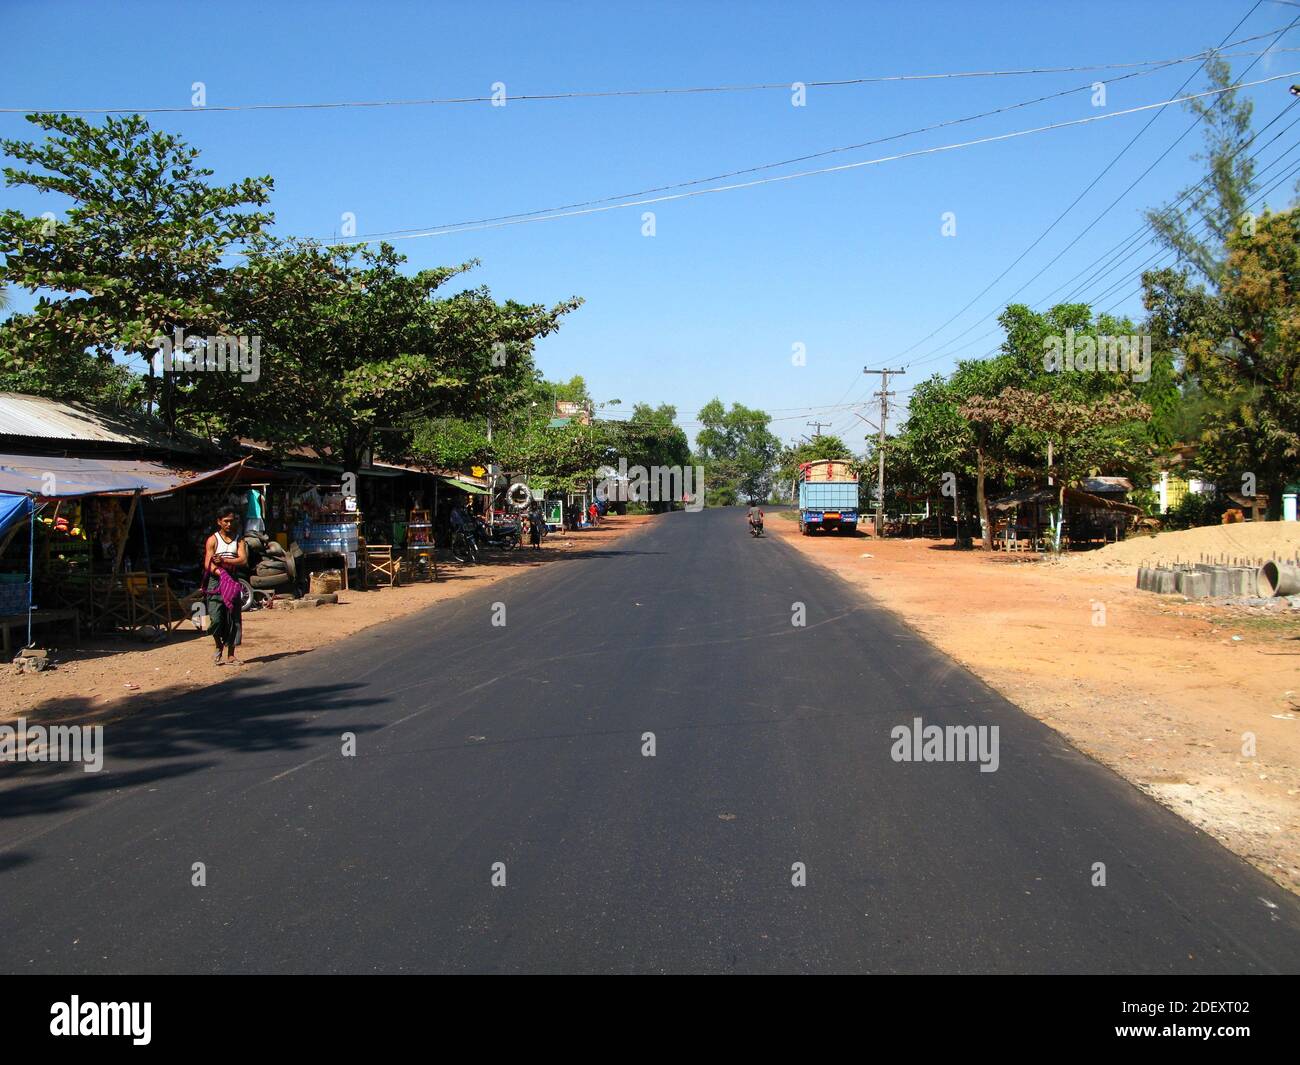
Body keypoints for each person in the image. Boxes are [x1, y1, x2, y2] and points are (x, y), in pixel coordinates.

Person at [203, 506, 247, 666]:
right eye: (226, 521)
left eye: (231, 521)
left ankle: (231, 654)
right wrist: (220, 573)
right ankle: (218, 645)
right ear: (219, 522)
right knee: (215, 617)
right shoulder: (213, 540)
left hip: (233, 579)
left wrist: (225, 562)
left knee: (234, 618)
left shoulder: (239, 540)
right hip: (216, 581)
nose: (229, 524)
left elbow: (243, 560)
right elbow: (208, 564)